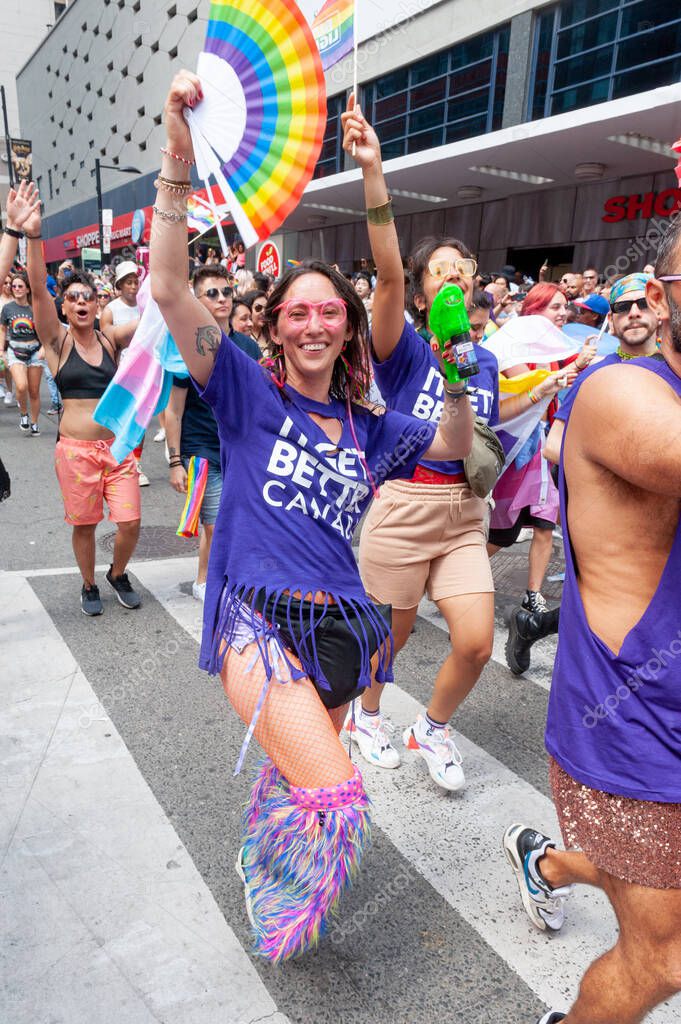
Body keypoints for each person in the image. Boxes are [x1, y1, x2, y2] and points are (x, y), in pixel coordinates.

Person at [151, 70, 474, 963]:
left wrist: (454, 373)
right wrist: (176, 163)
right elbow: (173, 288)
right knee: (336, 792)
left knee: (303, 785)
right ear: (276, 327)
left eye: (329, 312)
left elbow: (452, 445)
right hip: (259, 620)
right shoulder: (248, 393)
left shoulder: (372, 429)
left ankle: (271, 855)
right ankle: (282, 901)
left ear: (343, 327)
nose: (314, 324)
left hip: (345, 632)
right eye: (296, 312)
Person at [343, 100, 567, 788]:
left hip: (462, 515)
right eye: (440, 270)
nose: (455, 276)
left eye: (463, 271)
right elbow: (383, 270)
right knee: (393, 636)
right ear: (418, 292)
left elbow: (480, 438)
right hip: (403, 507)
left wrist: (538, 387)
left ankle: (430, 729)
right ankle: (365, 716)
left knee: (473, 642)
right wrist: (373, 173)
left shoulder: (485, 360)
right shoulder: (400, 347)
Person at [503, 232, 681, 1024]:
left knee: (643, 879)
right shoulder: (618, 393)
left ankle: (539, 858)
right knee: (666, 955)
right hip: (634, 726)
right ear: (659, 295)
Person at [504, 272, 661, 676]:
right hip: (607, 514)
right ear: (613, 318)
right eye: (622, 307)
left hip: (660, 517)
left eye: (642, 304)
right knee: (605, 607)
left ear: (660, 307)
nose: (633, 314)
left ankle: (535, 624)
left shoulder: (671, 371)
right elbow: (555, 445)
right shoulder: (597, 374)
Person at [17, 196, 142, 617]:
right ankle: (89, 583)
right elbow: (37, 286)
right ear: (64, 306)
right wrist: (34, 234)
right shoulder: (57, 341)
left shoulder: (111, 339)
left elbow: (158, 312)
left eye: (89, 296)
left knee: (129, 523)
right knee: (85, 525)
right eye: (73, 298)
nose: (82, 302)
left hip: (117, 451)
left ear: (98, 303)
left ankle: (116, 573)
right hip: (75, 452)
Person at [486, 283, 590, 614]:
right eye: (554, 307)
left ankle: (533, 594)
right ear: (535, 310)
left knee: (545, 523)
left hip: (544, 448)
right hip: (515, 450)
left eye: (565, 307)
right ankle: (455, 575)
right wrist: (573, 368)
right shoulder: (513, 344)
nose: (563, 314)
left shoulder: (560, 349)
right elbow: (534, 386)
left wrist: (580, 363)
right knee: (503, 533)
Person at [166, 265, 260, 601]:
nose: (222, 299)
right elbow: (173, 411)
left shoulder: (249, 348)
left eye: (226, 292)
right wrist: (175, 462)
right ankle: (212, 583)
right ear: (197, 300)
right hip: (203, 450)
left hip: (241, 450)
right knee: (216, 523)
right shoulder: (187, 347)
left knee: (232, 520)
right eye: (212, 293)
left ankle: (206, 577)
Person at [100, 261, 149, 484]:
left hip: (143, 371)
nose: (133, 286)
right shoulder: (110, 310)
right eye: (128, 282)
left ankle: (135, 462)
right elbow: (107, 344)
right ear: (119, 285)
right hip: (119, 374)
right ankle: (118, 458)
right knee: (119, 419)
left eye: (135, 281)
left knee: (140, 418)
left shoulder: (145, 306)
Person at [0, 271, 43, 435]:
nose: (16, 288)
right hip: (14, 350)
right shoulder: (7, 308)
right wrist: (1, 350)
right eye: (14, 286)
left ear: (27, 289)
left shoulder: (36, 307)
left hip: (34, 351)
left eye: (20, 286)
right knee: (21, 385)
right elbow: (2, 329)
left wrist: (44, 348)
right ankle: (24, 414)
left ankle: (34, 422)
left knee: (33, 391)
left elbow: (45, 330)